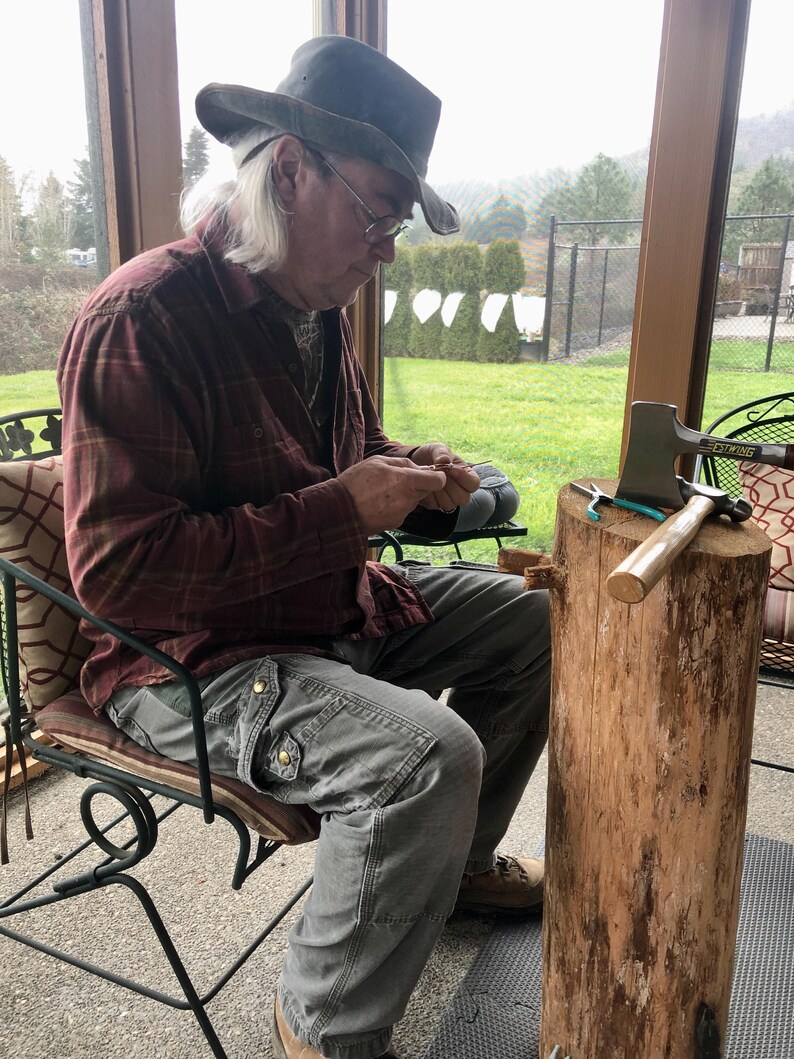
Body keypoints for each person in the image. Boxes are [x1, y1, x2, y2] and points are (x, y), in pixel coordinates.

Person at [57, 35, 550, 1059]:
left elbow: (340, 458)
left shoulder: (313, 310)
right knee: (426, 756)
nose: (387, 247)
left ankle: (454, 869)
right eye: (377, 212)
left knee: (535, 623)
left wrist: (403, 475)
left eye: (395, 225)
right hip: (186, 665)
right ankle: (323, 1023)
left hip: (324, 611)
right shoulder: (141, 317)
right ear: (288, 168)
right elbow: (118, 577)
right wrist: (342, 507)